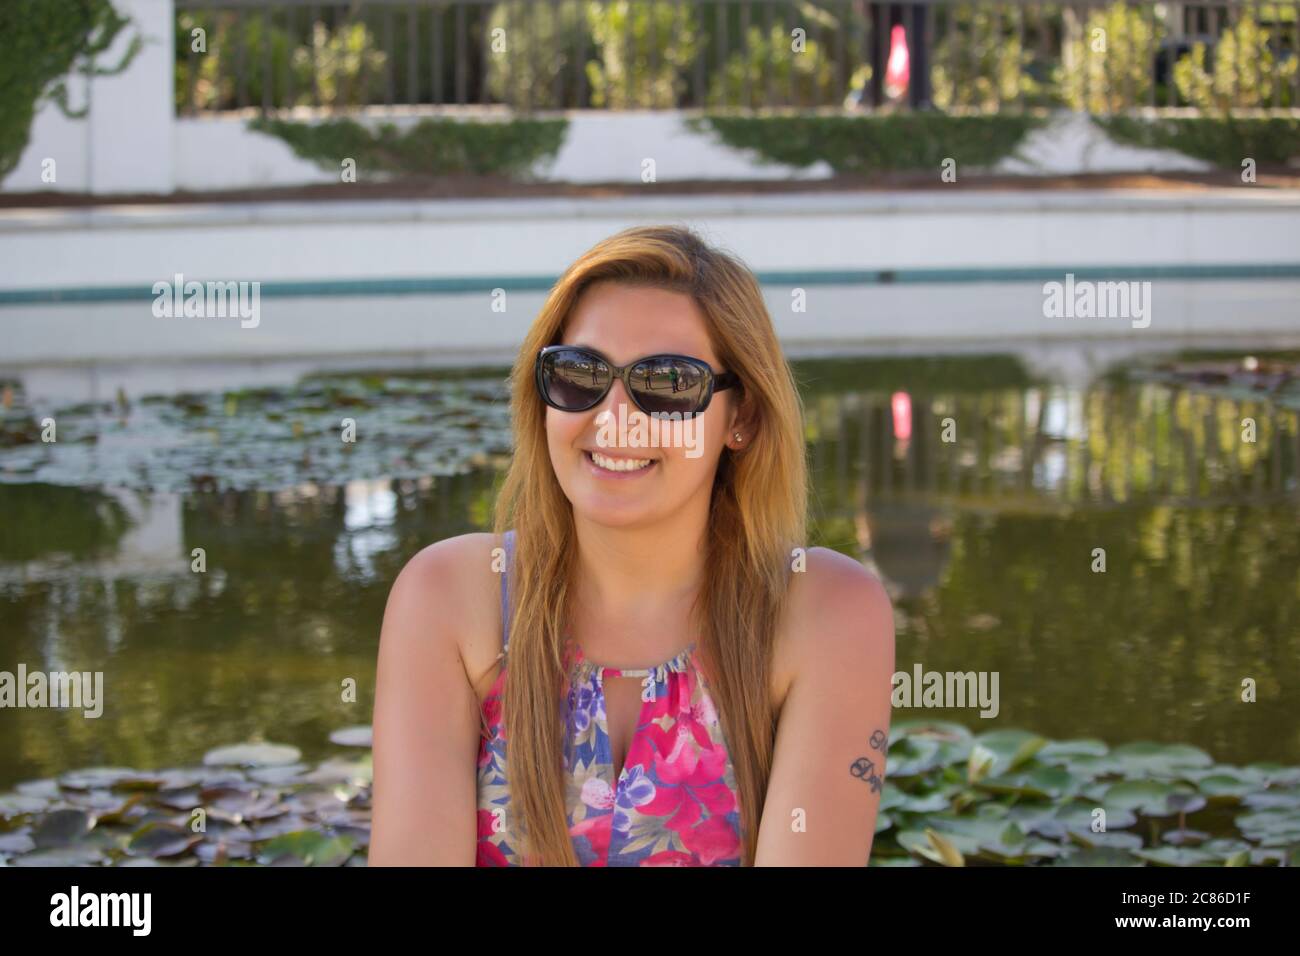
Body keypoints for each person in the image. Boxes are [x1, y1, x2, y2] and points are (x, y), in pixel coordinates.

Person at [368, 224, 895, 866]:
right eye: (579, 374)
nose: (613, 417)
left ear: (744, 416)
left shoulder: (827, 613)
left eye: (667, 384)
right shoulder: (446, 598)